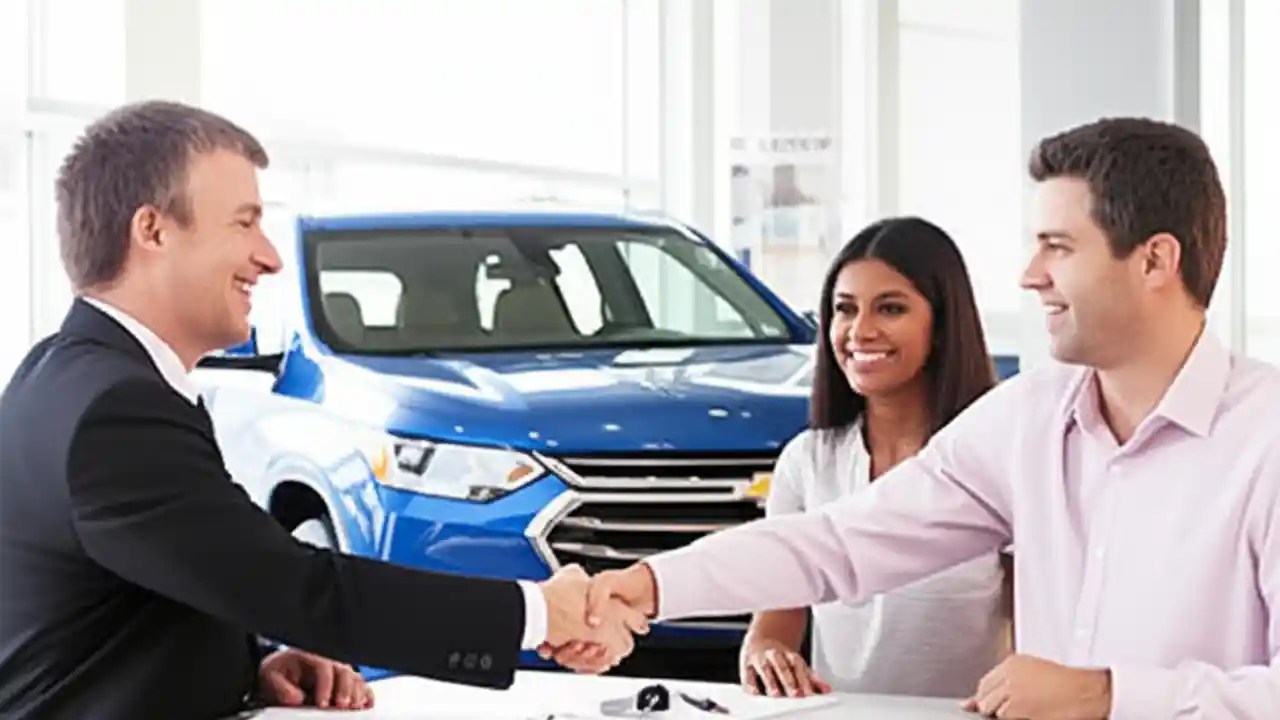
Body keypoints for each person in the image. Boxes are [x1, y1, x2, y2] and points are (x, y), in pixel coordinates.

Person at [580, 117, 1280, 719]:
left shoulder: (1265, 437)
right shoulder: (1028, 418)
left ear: (1155, 259)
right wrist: (645, 586)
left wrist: (1109, 696)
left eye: (1058, 247)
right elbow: (841, 541)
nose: (1029, 274)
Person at [0, 100, 643, 720]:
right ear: (154, 230)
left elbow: (152, 592)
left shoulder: (61, 375)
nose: (270, 256)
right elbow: (298, 587)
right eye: (244, 222)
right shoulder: (117, 410)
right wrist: (538, 614)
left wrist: (249, 664)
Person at [738, 217, 1011, 700]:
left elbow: (1042, 642)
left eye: (890, 308)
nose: (860, 331)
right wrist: (765, 654)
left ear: (944, 324)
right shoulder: (807, 461)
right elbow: (772, 627)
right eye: (845, 310)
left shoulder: (1000, 458)